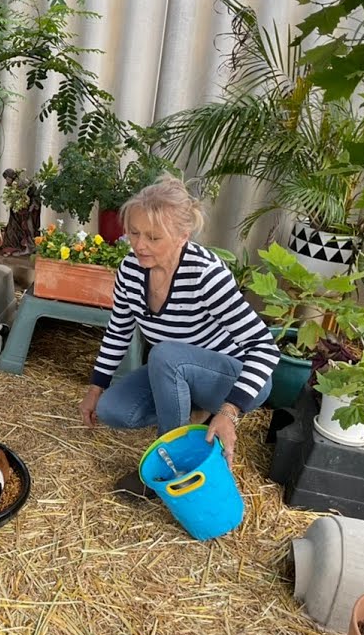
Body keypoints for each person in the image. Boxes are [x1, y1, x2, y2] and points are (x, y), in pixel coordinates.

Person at [77, 173, 281, 498]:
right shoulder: (131, 268)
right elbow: (119, 329)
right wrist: (95, 387)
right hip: (175, 372)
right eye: (134, 233)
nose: (140, 245)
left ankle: (171, 467)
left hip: (229, 380)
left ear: (183, 235)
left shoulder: (206, 276)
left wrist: (229, 412)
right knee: (113, 409)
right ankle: (194, 419)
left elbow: (265, 349)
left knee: (165, 354)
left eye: (154, 238)